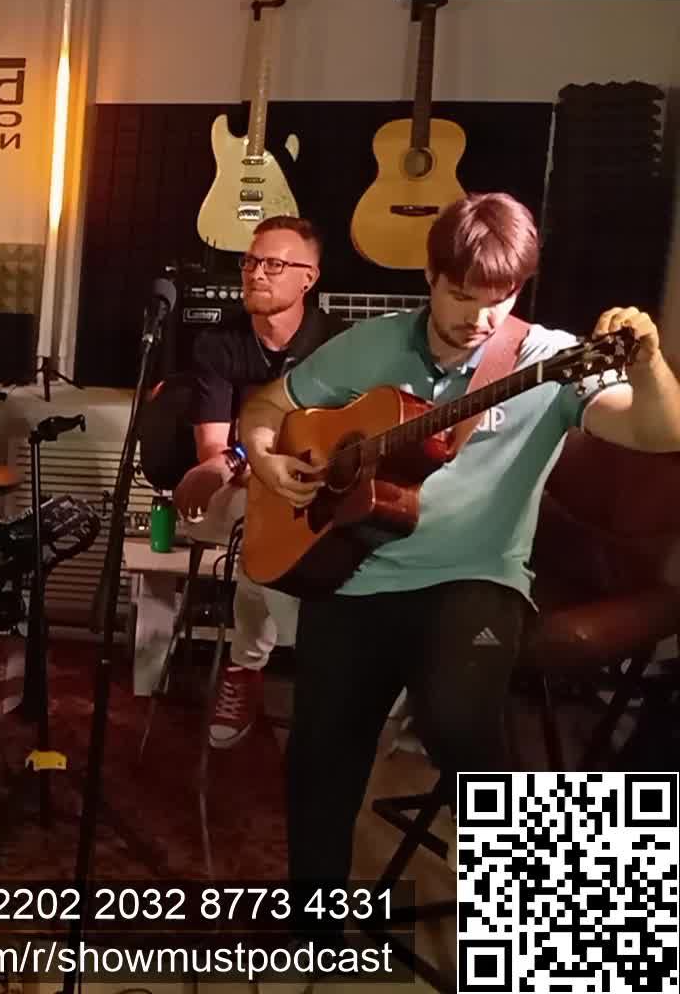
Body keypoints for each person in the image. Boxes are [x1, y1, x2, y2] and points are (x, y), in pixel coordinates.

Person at [239, 192, 680, 952]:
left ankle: (558, 930)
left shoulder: (547, 358)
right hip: (354, 573)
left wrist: (650, 367)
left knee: (456, 721)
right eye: (461, 295)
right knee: (318, 750)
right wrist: (266, 458)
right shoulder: (371, 344)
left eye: (499, 298)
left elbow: (659, 431)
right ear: (430, 274)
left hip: (476, 578)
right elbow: (269, 404)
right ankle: (315, 926)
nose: (479, 318)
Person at [170, 216, 346, 749]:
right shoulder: (218, 343)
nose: (255, 274)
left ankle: (249, 665)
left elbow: (340, 441)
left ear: (308, 278)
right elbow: (213, 453)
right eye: (250, 262)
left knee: (264, 540)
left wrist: (258, 462)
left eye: (273, 264)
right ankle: (301, 668)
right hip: (241, 494)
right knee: (256, 522)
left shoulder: (340, 345)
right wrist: (254, 465)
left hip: (320, 492)